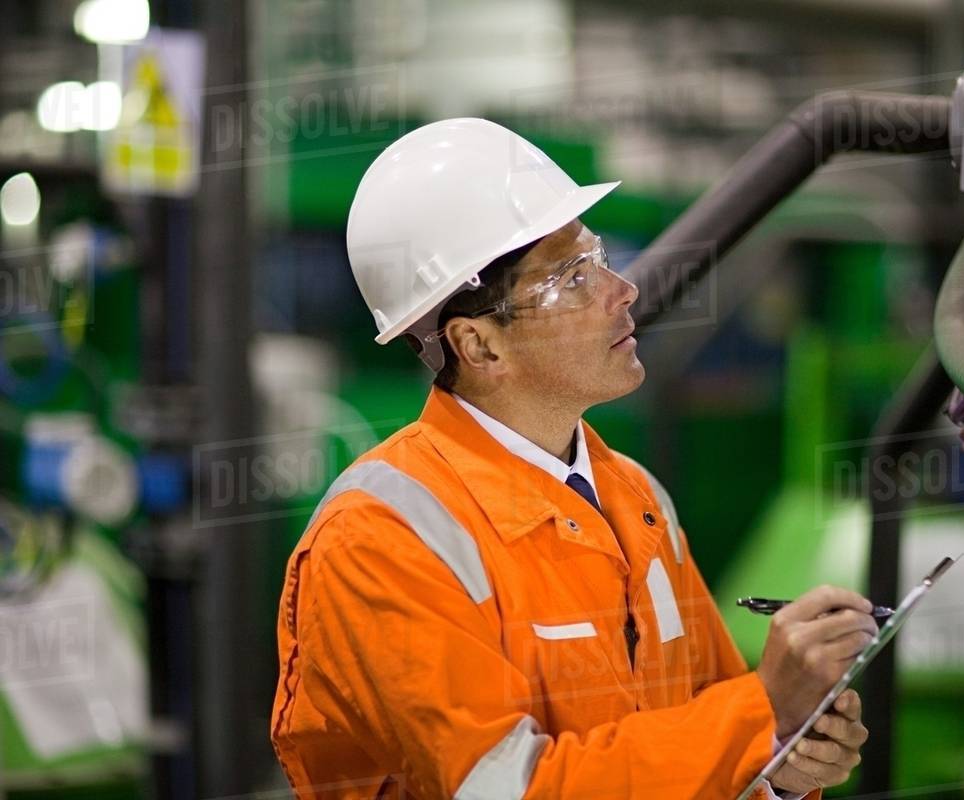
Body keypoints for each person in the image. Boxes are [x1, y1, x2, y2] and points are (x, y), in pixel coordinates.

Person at [270, 118, 876, 799]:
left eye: (602, 259)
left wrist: (779, 764)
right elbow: (507, 791)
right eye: (574, 277)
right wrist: (760, 712)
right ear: (479, 346)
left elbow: (701, 740)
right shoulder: (381, 540)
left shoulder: (634, 496)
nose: (624, 292)